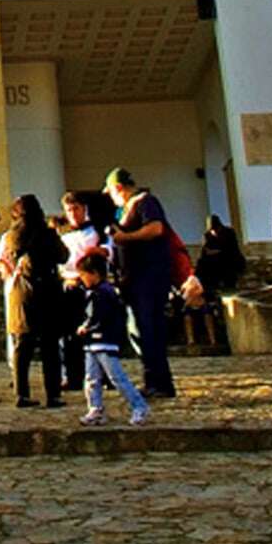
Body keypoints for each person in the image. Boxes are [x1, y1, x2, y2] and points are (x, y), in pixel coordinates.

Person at [105, 167, 176, 398]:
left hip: (148, 277)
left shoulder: (146, 202)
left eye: (112, 193)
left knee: (148, 329)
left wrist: (125, 237)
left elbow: (156, 229)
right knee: (140, 330)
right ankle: (154, 380)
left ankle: (159, 382)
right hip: (134, 279)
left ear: (119, 189)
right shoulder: (125, 209)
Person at [0, 194, 68, 408]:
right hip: (48, 290)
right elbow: (64, 256)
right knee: (50, 347)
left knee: (22, 346)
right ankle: (53, 394)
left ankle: (22, 393)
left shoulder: (12, 236)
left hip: (22, 292)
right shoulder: (48, 234)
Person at [76, 251, 149, 427]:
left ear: (93, 273)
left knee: (116, 377)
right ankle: (95, 408)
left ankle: (139, 406)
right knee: (91, 378)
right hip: (93, 343)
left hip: (104, 341)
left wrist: (87, 327)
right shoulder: (96, 293)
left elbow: (100, 317)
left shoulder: (103, 294)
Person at [57, 190, 102, 391]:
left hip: (89, 287)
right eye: (69, 210)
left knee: (93, 331)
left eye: (76, 208)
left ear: (84, 209)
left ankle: (99, 375)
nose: (73, 213)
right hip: (68, 287)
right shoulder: (64, 236)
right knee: (68, 335)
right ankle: (73, 376)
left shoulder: (95, 233)